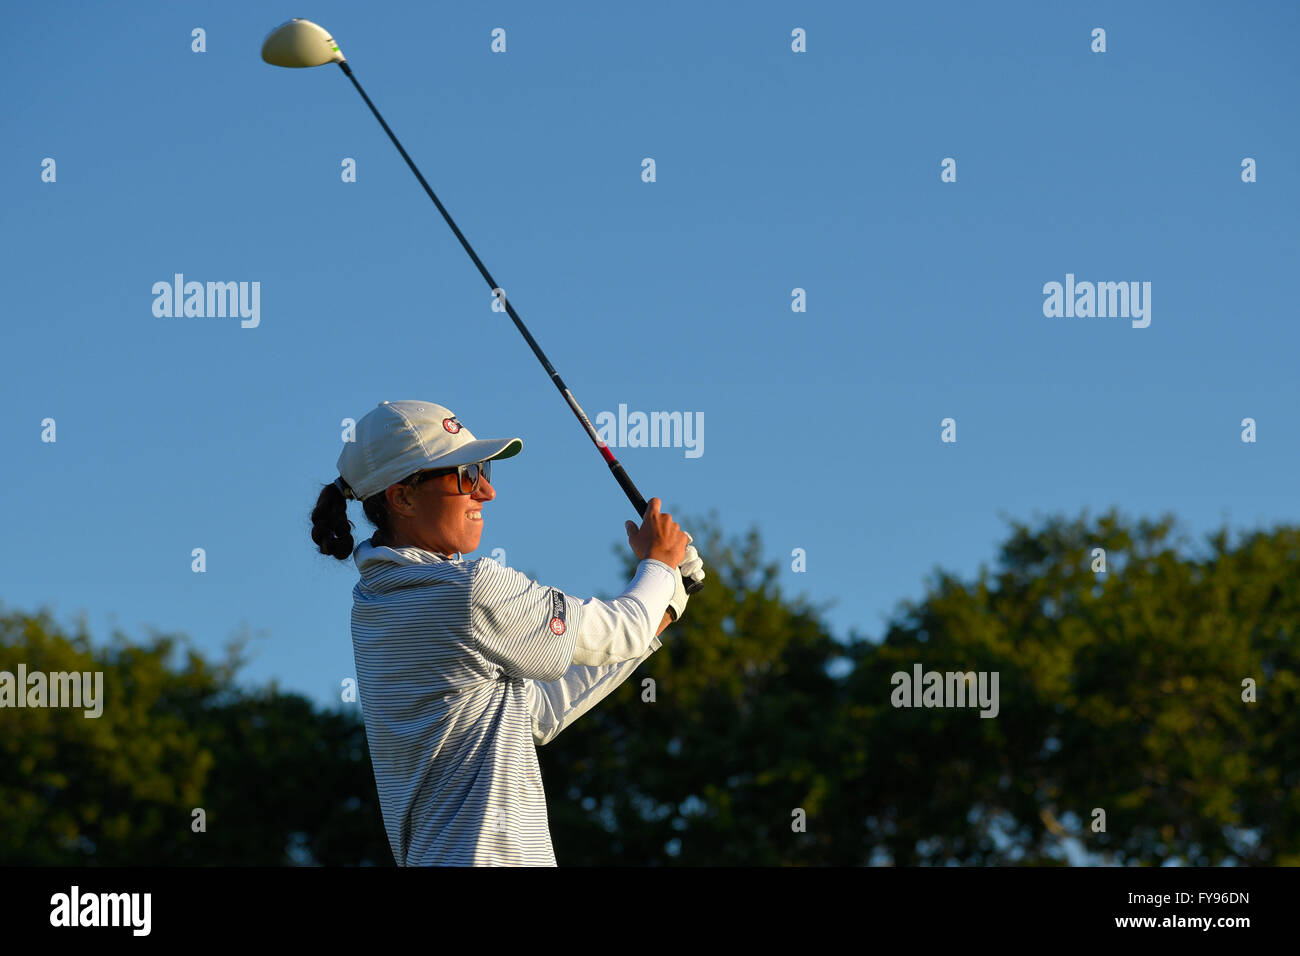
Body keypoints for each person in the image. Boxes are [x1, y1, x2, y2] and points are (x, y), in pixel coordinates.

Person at [309, 400, 704, 866]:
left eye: (483, 470)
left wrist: (666, 602)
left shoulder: (374, 602)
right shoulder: (469, 592)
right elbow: (620, 630)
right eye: (463, 475)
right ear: (402, 497)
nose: (485, 492)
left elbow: (537, 711)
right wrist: (659, 563)